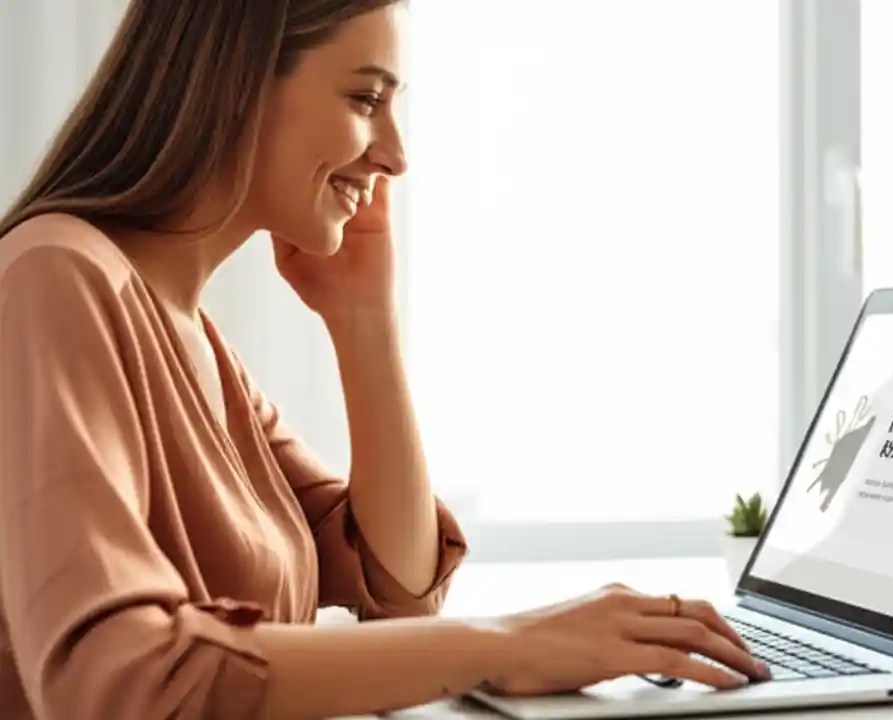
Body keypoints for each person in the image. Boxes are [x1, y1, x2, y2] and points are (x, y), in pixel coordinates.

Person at [0, 2, 770, 717]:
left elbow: (399, 587)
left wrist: (364, 322)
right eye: (367, 101)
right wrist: (506, 644)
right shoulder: (56, 276)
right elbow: (112, 675)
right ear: (234, 87)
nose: (396, 157)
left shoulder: (191, 335)